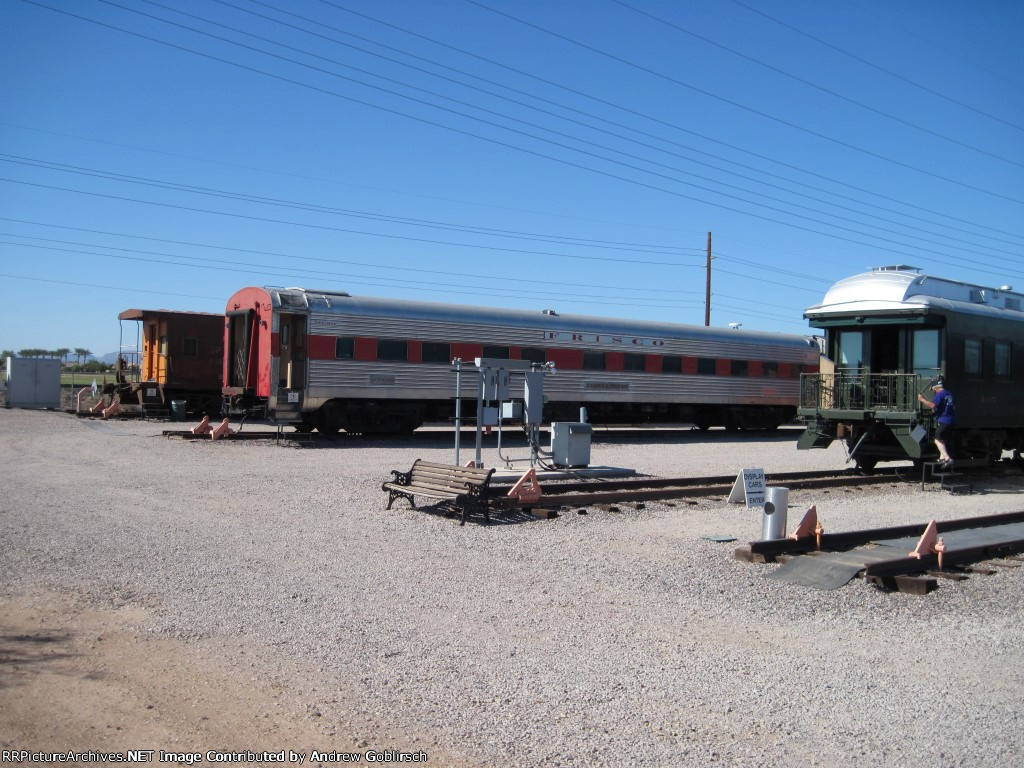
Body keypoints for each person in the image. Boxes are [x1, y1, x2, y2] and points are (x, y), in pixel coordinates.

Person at [918, 377, 955, 467]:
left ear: (935, 387)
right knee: (942, 439)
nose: (933, 391)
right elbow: (952, 407)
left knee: (937, 439)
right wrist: (938, 410)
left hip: (943, 420)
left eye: (933, 389)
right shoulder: (949, 394)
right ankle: (942, 459)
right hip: (951, 420)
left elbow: (933, 405)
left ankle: (947, 458)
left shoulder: (939, 394)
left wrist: (922, 400)